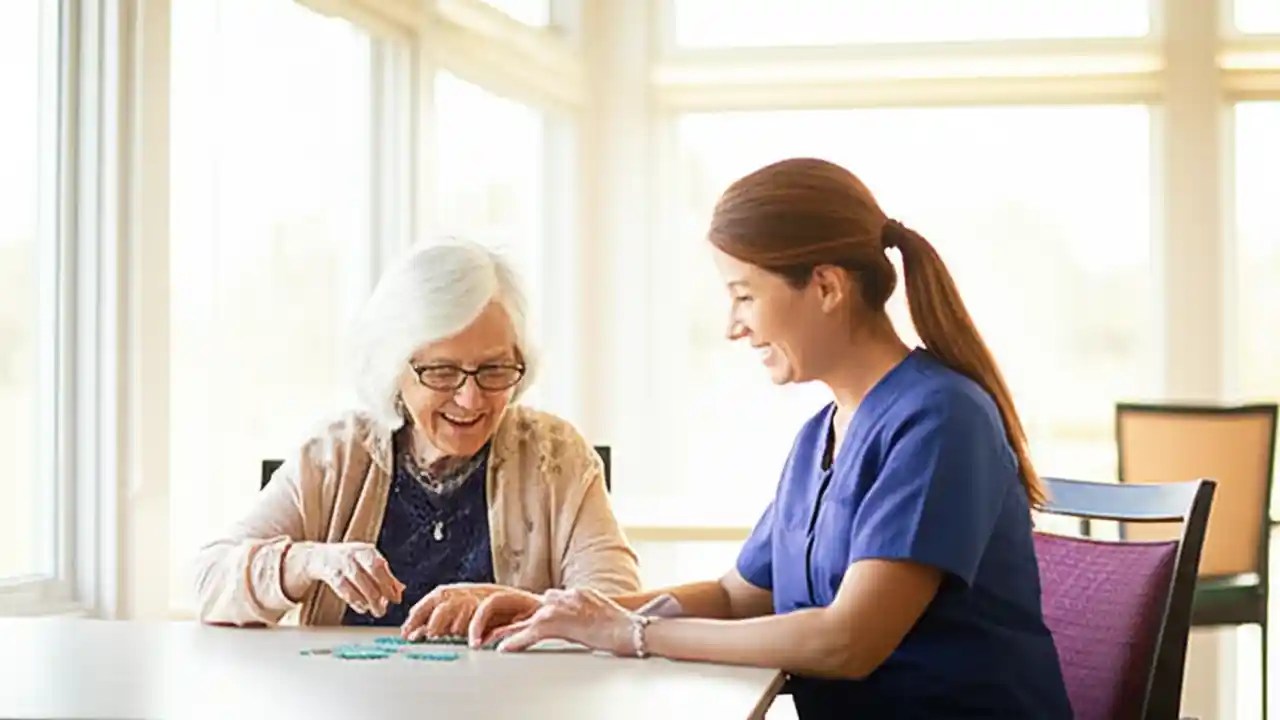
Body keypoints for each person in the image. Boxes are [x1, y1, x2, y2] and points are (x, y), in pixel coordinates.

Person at [463, 159, 1072, 718]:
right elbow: (735, 596)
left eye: (744, 295)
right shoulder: (821, 436)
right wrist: (567, 613)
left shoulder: (941, 419)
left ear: (827, 287)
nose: (733, 327)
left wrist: (631, 634)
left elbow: (847, 641)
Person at [193, 238, 639, 636]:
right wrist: (309, 560)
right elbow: (210, 583)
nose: (470, 399)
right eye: (442, 372)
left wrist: (516, 609)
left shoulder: (556, 458)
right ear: (394, 369)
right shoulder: (337, 456)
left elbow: (620, 608)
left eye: (493, 369)